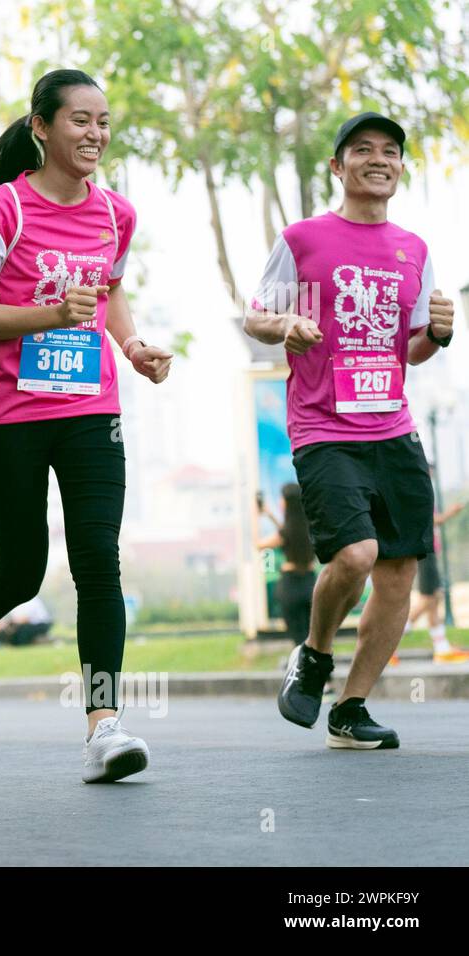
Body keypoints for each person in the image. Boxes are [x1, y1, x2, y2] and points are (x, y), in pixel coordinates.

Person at [0, 69, 170, 783]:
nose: (95, 133)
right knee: (24, 567)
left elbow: (110, 290)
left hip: (89, 407)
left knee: (98, 557)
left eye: (103, 120)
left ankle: (104, 727)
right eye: (79, 120)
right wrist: (51, 315)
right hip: (7, 414)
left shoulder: (115, 215)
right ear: (41, 127)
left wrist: (130, 348)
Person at [245, 112, 455, 750]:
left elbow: (409, 350)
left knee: (399, 571)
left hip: (392, 428)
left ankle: (351, 709)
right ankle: (312, 655)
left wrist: (438, 335)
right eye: (362, 150)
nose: (378, 159)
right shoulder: (305, 238)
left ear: (399, 169)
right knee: (357, 556)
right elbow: (256, 317)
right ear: (338, 167)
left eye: (390, 152)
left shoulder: (412, 249)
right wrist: (286, 328)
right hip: (323, 426)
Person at [402, 477, 466, 664]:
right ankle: (401, 629)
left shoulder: (423, 490)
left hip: (428, 549)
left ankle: (441, 648)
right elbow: (429, 521)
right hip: (425, 549)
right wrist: (451, 513)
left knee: (434, 598)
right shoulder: (417, 491)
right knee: (430, 597)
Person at [256, 484, 317, 646]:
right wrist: (270, 516)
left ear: (286, 503)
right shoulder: (311, 528)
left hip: (291, 585)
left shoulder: (285, 532)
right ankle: (319, 669)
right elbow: (288, 532)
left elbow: (260, 545)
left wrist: (256, 517)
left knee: (299, 638)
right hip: (312, 584)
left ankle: (302, 669)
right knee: (315, 637)